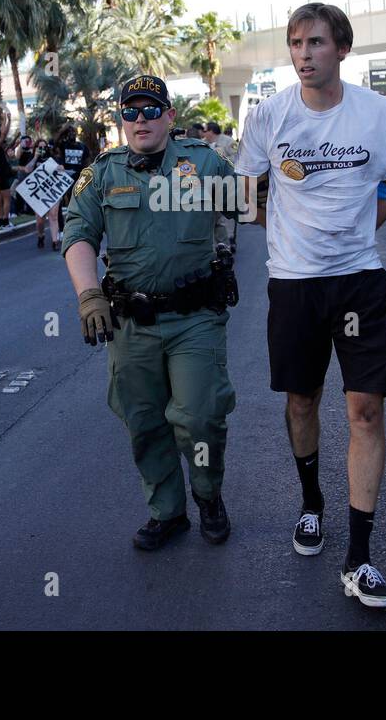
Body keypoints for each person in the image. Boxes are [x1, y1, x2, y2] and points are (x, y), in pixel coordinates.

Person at [234, 2, 386, 608]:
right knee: (302, 399)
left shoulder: (377, 113)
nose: (303, 54)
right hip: (293, 284)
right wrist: (277, 225)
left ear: (342, 48)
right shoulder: (269, 116)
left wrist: (366, 226)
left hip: (360, 280)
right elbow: (240, 192)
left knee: (365, 410)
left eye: (314, 42)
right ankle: (312, 502)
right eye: (294, 43)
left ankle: (360, 558)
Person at [62, 73, 240, 551]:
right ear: (121, 119)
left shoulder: (205, 164)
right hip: (131, 323)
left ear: (169, 116)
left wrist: (226, 251)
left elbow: (248, 209)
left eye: (150, 109)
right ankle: (168, 511)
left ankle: (208, 496)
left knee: (199, 416)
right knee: (144, 421)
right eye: (130, 111)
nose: (140, 120)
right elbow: (77, 234)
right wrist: (88, 295)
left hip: (195, 317)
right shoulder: (103, 172)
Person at [202, 120, 239, 248]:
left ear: (211, 131)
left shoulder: (228, 141)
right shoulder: (203, 144)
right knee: (216, 216)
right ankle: (221, 244)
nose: (204, 133)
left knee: (229, 212)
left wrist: (223, 160)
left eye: (205, 130)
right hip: (211, 184)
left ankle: (230, 238)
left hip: (227, 181)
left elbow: (238, 157)